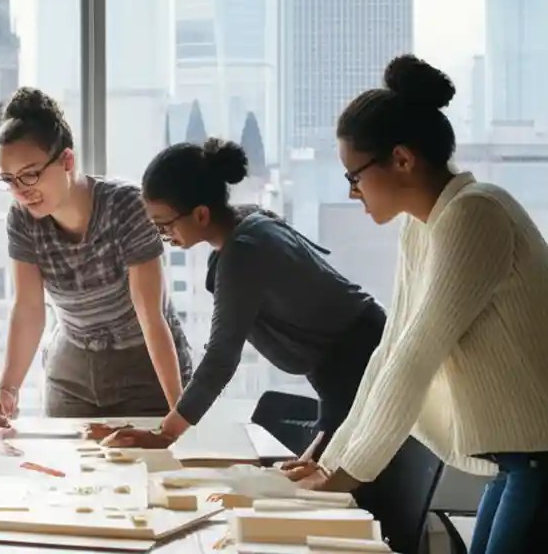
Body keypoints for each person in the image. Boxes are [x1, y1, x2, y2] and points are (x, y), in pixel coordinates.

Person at [285, 54, 548, 553]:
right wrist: (331, 463)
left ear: (402, 159)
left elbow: (415, 361)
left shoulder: (475, 217)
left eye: (355, 175)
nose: (353, 191)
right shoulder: (423, 224)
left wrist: (346, 478)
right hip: (522, 463)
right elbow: (391, 350)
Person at [104, 138, 385, 452]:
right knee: (315, 472)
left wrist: (166, 433)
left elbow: (222, 356)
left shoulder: (243, 252)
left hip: (358, 359)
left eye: (164, 225)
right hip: (346, 357)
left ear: (200, 215)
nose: (163, 236)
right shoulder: (248, 227)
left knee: (327, 479)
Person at [0, 87, 190, 427]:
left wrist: (179, 412)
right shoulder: (22, 219)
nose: (21, 190)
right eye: (9, 180)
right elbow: (29, 309)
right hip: (72, 373)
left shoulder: (127, 205)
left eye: (30, 174)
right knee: (73, 475)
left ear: (67, 161)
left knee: (152, 471)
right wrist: (7, 392)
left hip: (144, 368)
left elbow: (151, 315)